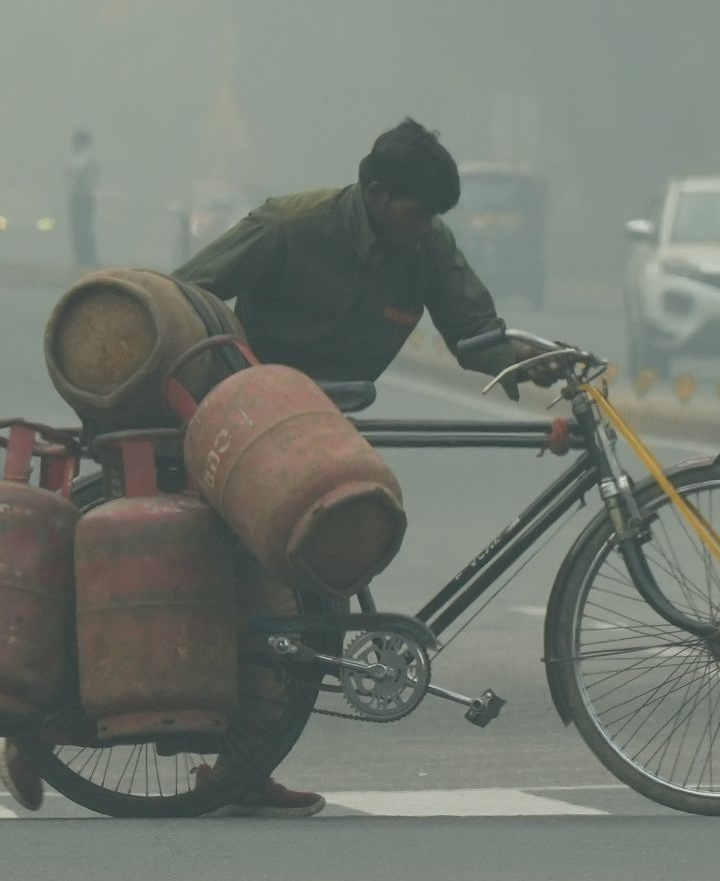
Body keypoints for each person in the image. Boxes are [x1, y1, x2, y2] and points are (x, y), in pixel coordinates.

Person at [0, 118, 554, 817]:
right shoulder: (289, 227)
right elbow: (181, 299)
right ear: (377, 193)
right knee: (233, 598)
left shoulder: (427, 247)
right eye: (417, 212)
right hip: (241, 430)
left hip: (322, 436)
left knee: (296, 606)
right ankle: (42, 722)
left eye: (435, 217)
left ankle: (238, 770)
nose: (426, 228)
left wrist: (536, 367)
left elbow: (476, 337)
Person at [66, 128, 99, 267]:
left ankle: (88, 258)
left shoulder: (90, 158)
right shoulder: (73, 158)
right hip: (75, 196)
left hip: (85, 197)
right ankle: (79, 258)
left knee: (84, 228)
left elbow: (89, 178)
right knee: (76, 228)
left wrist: (76, 176)